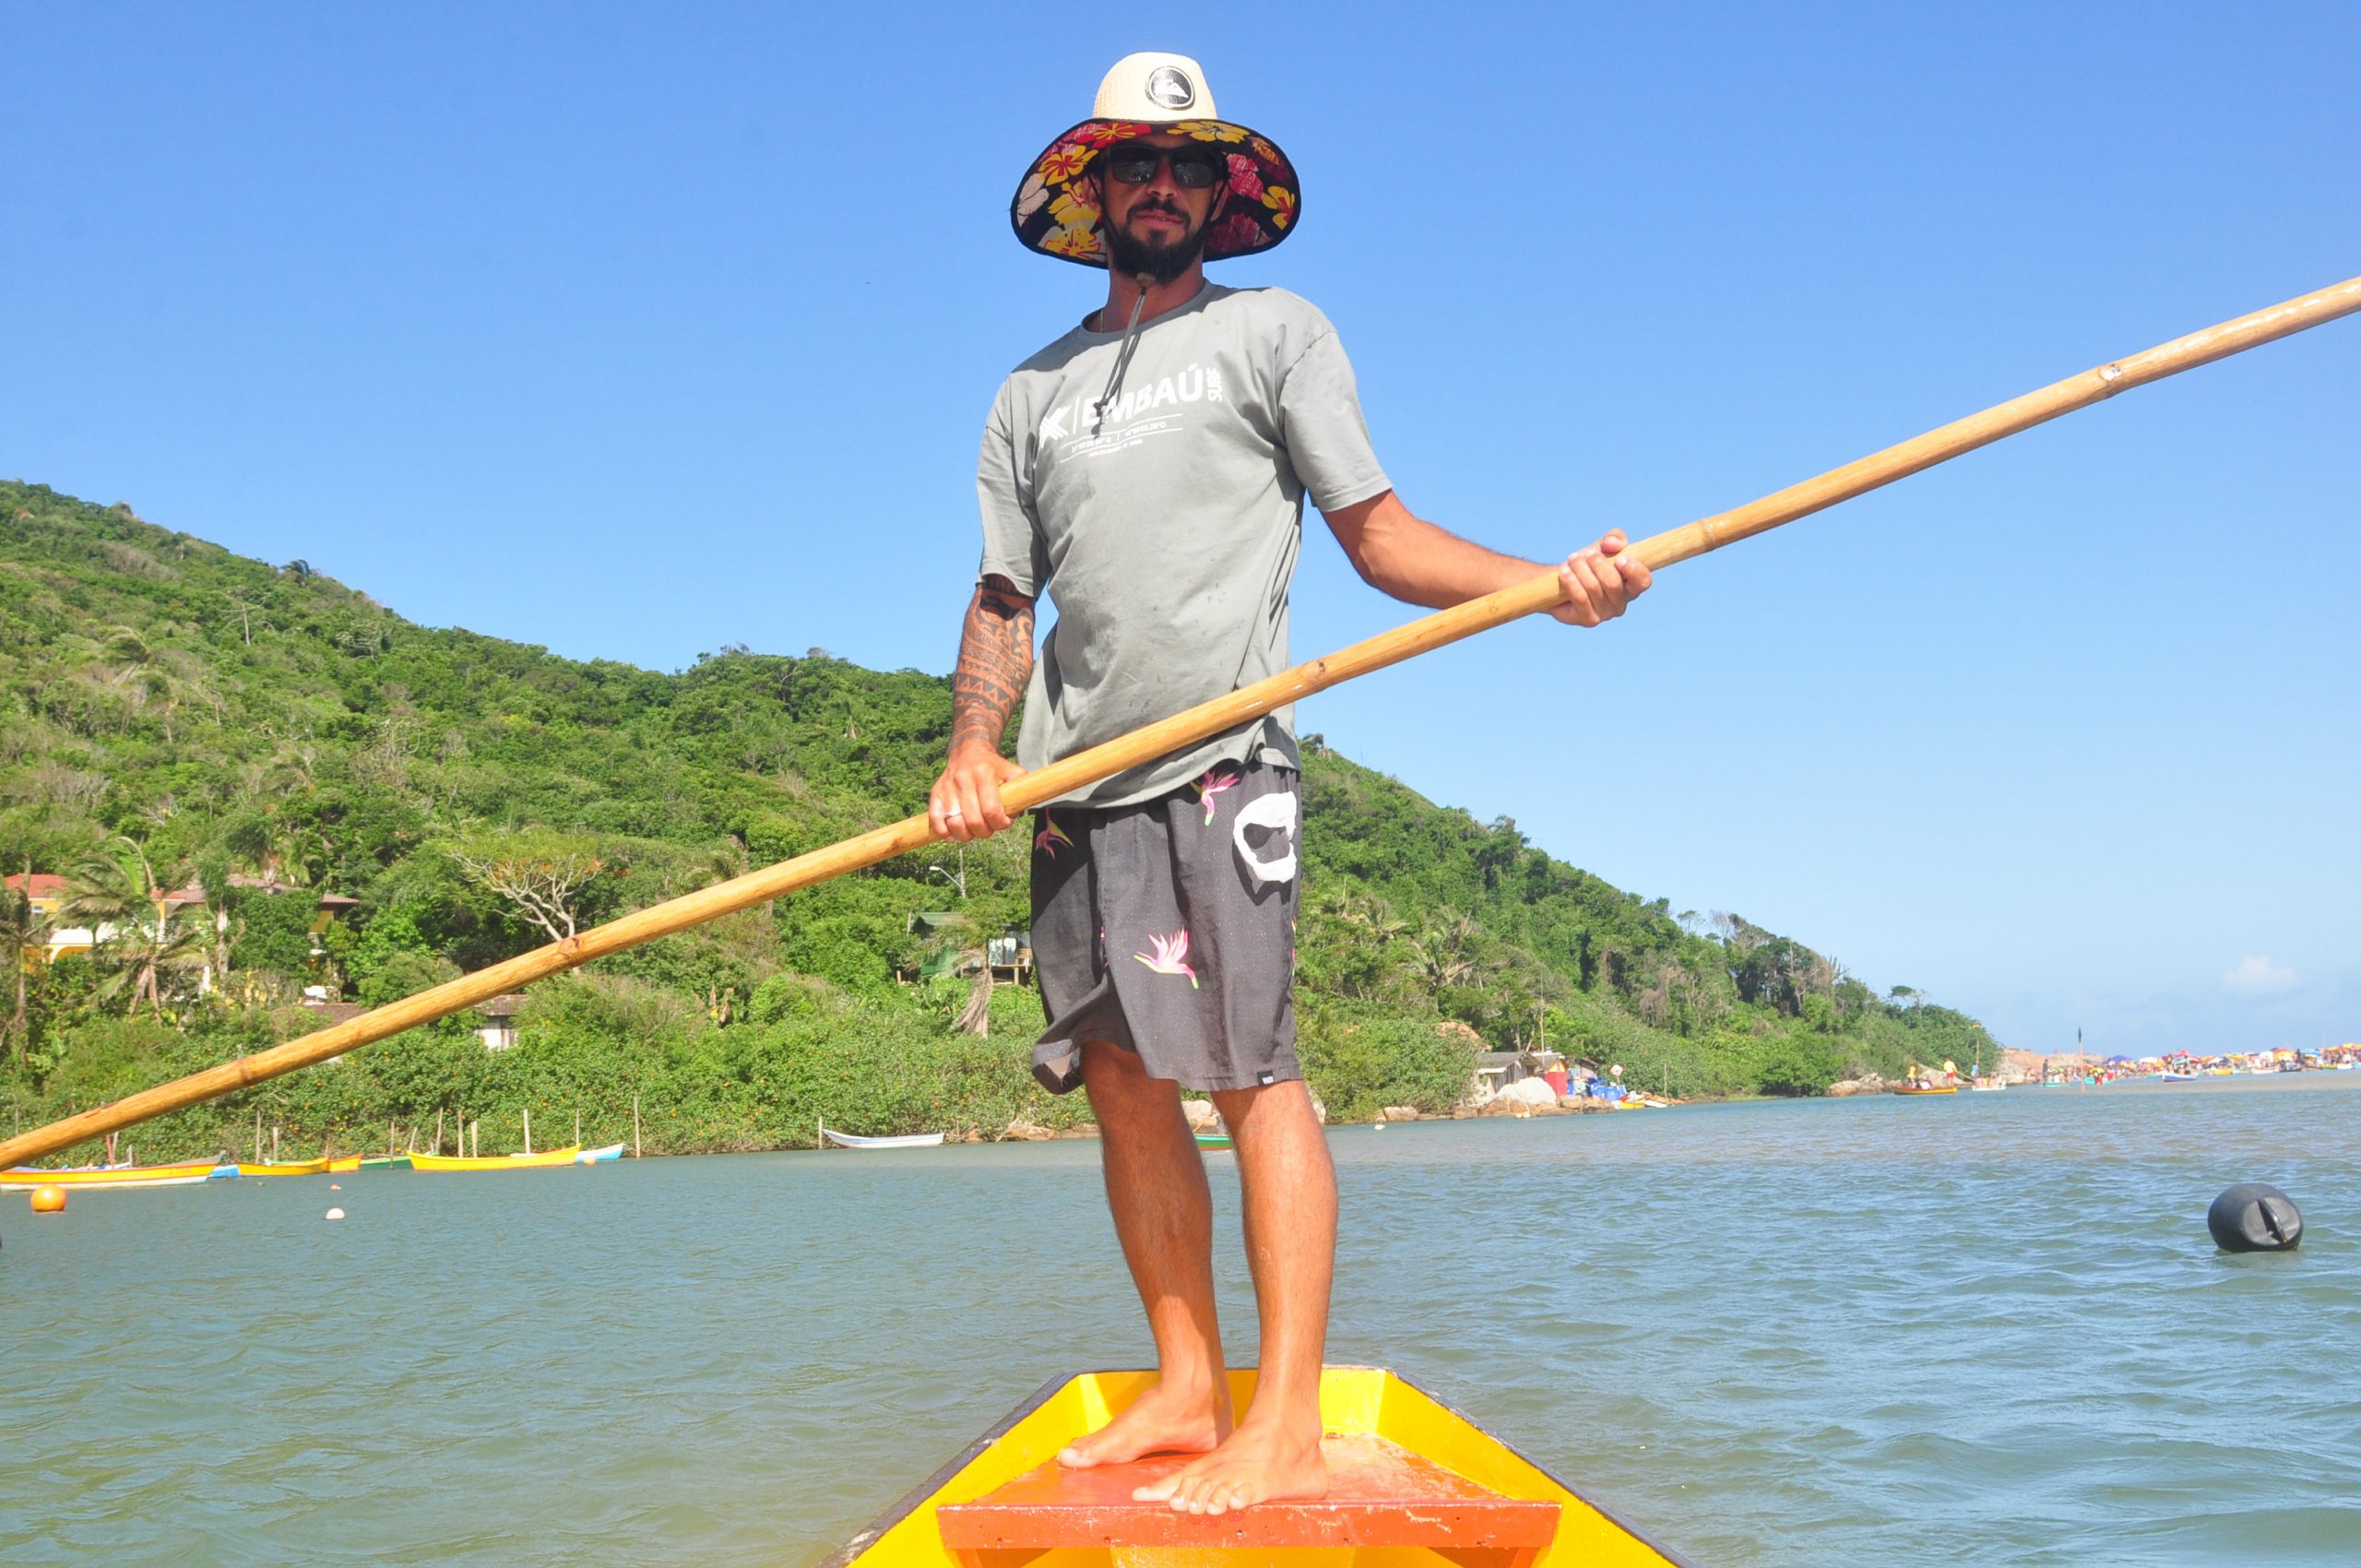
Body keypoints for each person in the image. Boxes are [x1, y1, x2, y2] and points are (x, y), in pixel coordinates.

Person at [928, 52, 1651, 1517]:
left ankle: (1292, 1423)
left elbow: (1382, 539)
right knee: (1124, 1088)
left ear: (1221, 194)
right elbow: (1006, 597)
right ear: (1093, 188)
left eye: (1189, 166)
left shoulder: (1274, 333)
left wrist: (1545, 590)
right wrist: (973, 749)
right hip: (1074, 780)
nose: (1161, 185)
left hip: (1219, 763)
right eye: (1134, 163)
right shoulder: (1029, 391)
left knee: (1252, 1073)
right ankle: (1189, 1388)